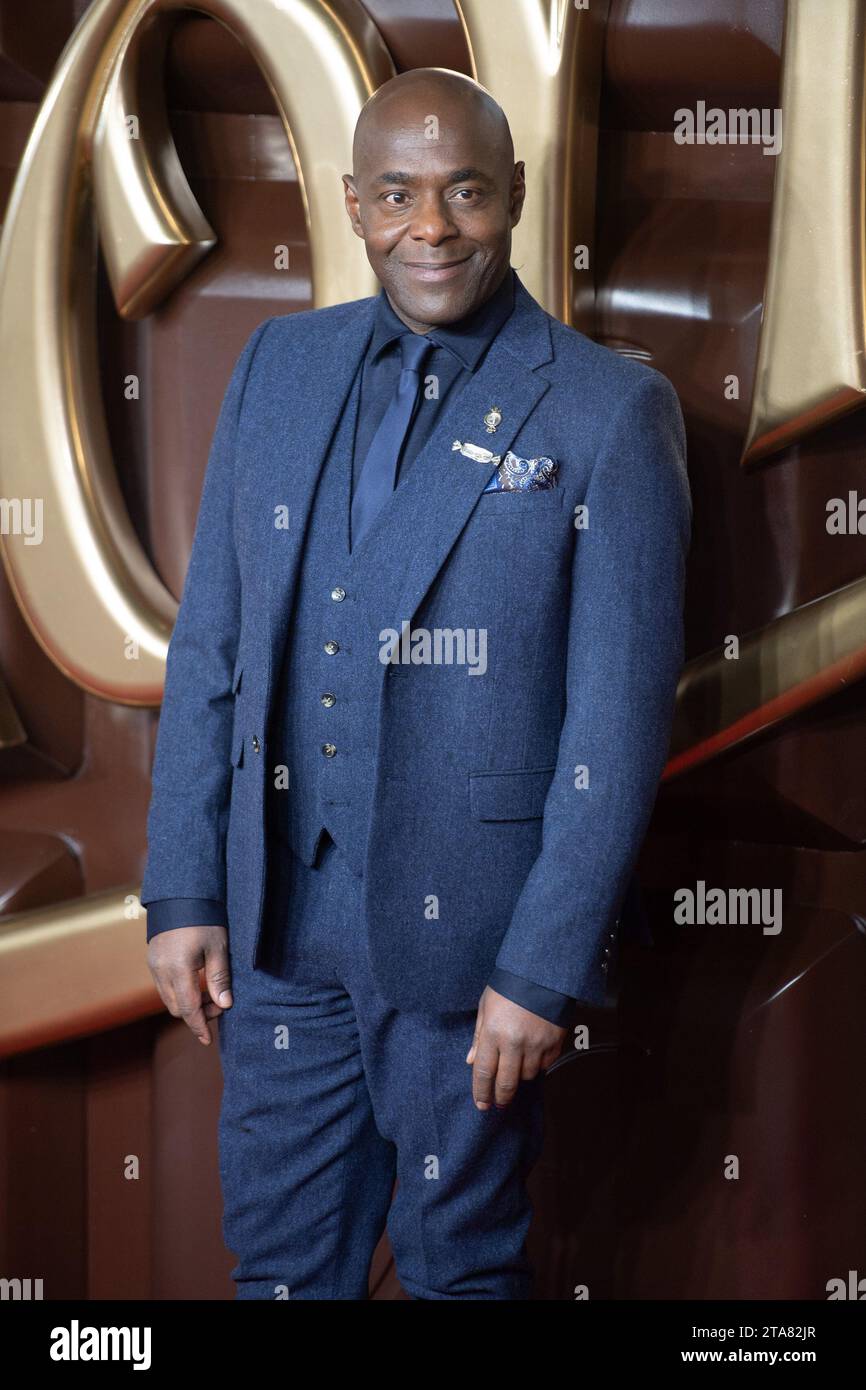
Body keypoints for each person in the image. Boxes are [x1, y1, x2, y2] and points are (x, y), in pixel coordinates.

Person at [140, 67, 691, 1300]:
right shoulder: (276, 366)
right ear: (349, 204)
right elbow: (213, 647)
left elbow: (614, 719)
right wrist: (180, 880)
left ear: (515, 198)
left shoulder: (609, 411)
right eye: (396, 194)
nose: (429, 226)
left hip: (475, 948)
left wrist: (541, 967)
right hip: (279, 926)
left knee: (459, 1270)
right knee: (279, 1269)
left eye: (463, 193)